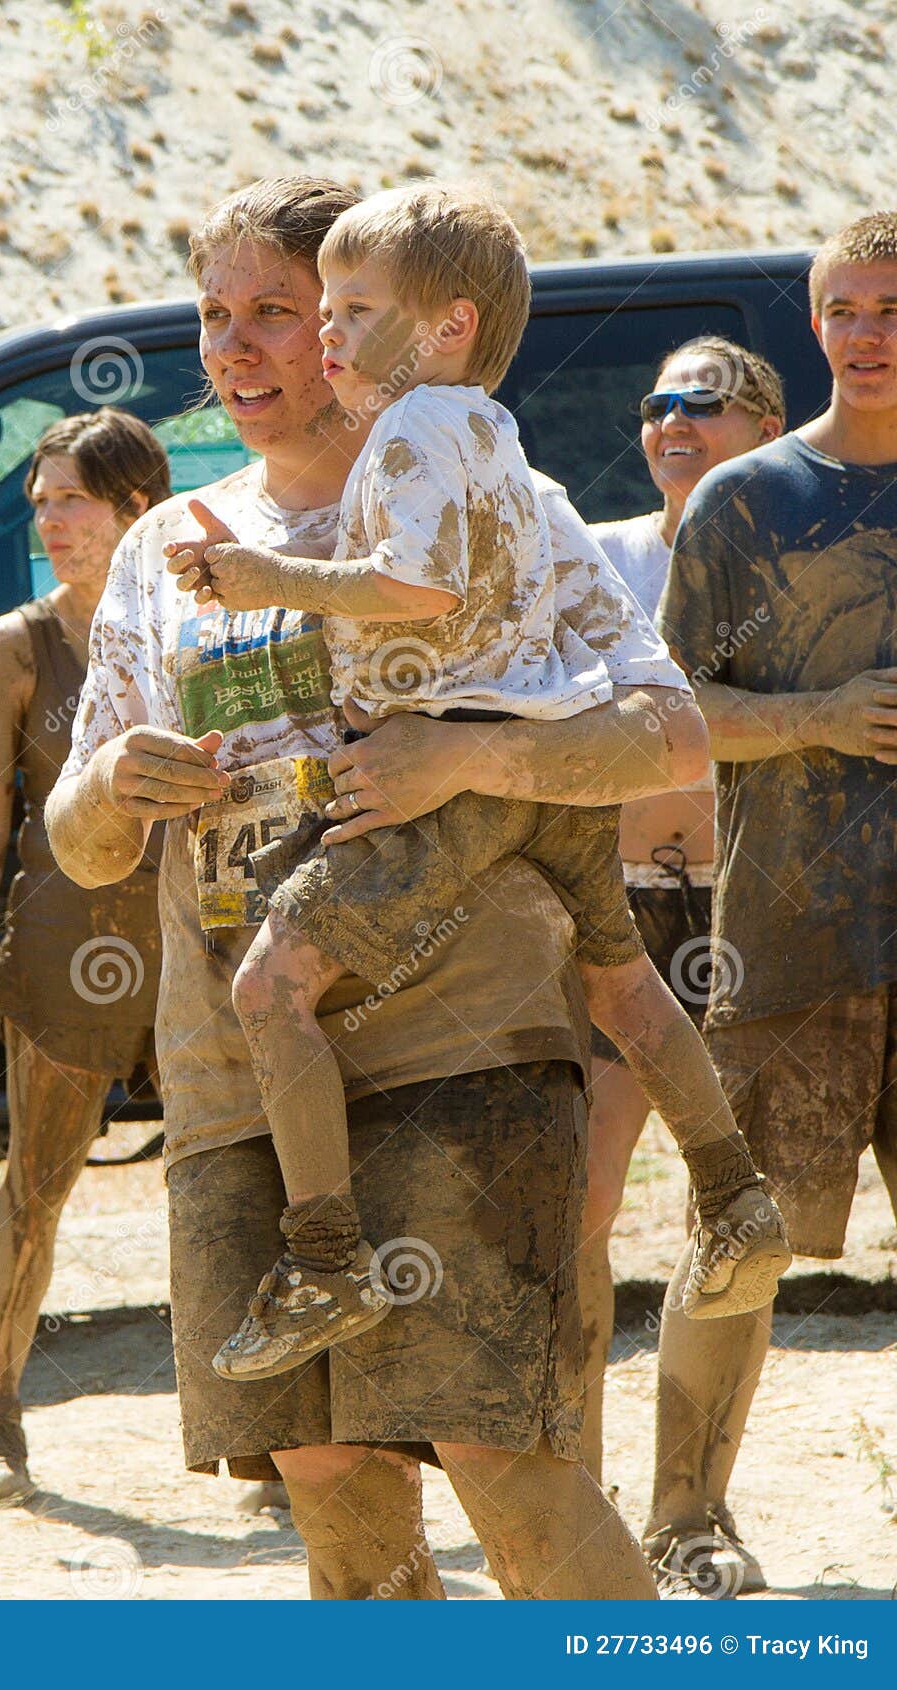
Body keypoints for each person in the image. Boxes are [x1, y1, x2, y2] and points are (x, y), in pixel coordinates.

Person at [46, 175, 710, 1601]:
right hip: (235, 1064)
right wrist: (115, 788)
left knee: (495, 1449)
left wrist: (462, 758)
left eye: (281, 314)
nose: (238, 349)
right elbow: (80, 838)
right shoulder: (172, 555)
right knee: (326, 1472)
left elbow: (673, 735)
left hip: (456, 1044)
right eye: (214, 317)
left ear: (378, 330)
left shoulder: (493, 497)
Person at [164, 189, 789, 1383]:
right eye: (322, 310)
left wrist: (260, 577)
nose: (328, 336)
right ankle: (729, 1193)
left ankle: (324, 1253)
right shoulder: (492, 440)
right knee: (622, 984)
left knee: (268, 988)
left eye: (343, 311)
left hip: (456, 779)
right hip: (556, 780)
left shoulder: (410, 432)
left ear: (444, 327)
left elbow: (421, 594)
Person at [647, 211, 897, 1595]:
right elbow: (673, 710)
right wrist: (817, 714)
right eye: (845, 308)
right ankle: (686, 1517)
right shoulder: (748, 502)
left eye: (891, 308)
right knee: (738, 1240)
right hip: (789, 937)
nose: (867, 333)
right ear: (814, 326)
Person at [0, 410, 169, 1507]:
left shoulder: (201, 622)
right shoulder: (18, 645)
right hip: (64, 943)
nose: (50, 521)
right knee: (36, 1186)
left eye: (70, 499)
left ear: (133, 504)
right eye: (41, 504)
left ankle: (271, 1438)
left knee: (239, 1180)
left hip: (193, 943)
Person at [578, 337, 786, 1483]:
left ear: (763, 425)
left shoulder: (802, 567)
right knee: (584, 1206)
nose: (669, 422)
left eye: (699, 404)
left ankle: (690, 1501)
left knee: (734, 1218)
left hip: (749, 908)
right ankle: (581, 1493)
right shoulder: (598, 559)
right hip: (620, 911)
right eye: (654, 403)